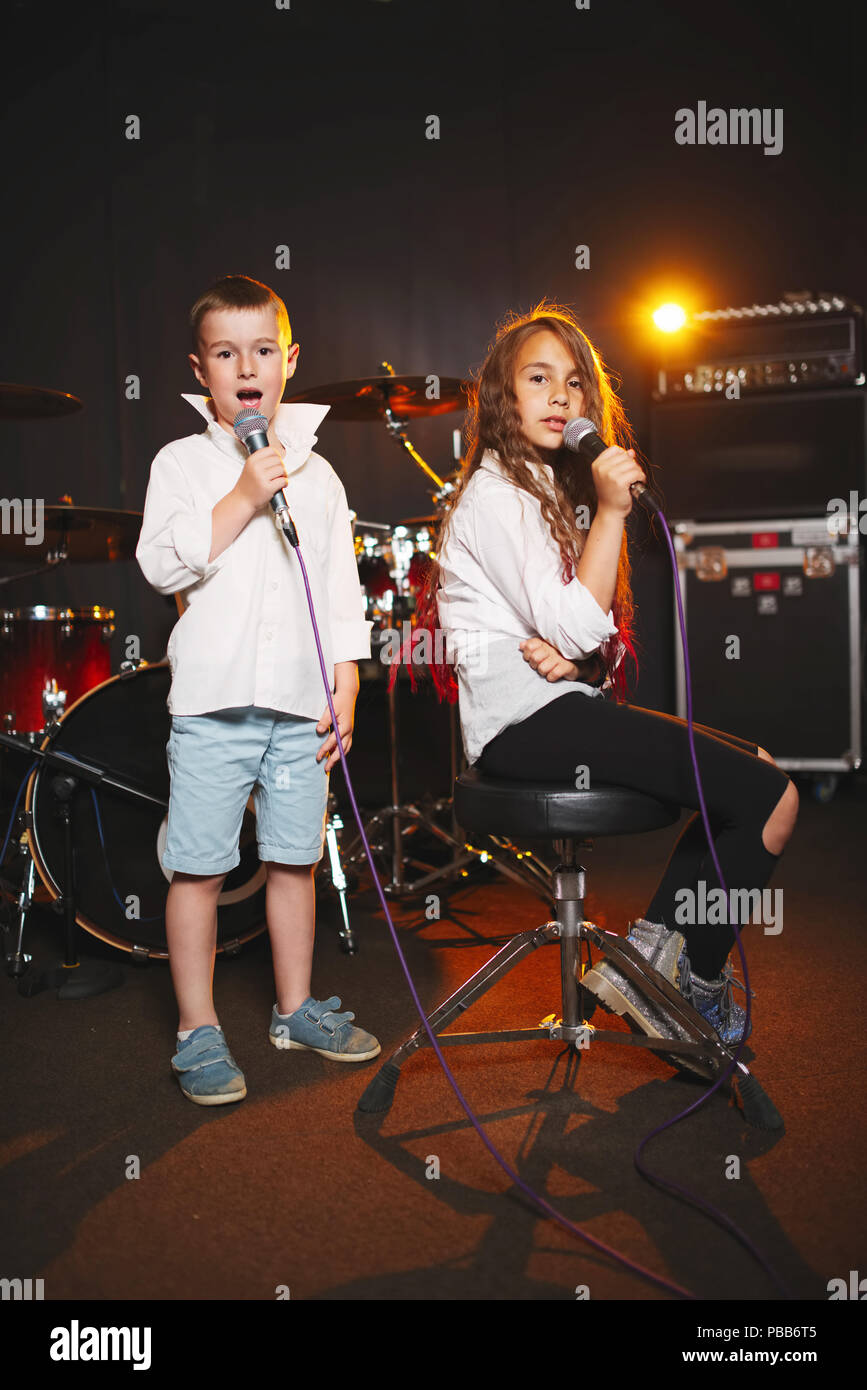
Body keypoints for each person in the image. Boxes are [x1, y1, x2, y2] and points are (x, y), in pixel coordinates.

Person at [428, 303, 799, 1064]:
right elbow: (571, 623)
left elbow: (584, 639)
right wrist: (606, 515)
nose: (561, 396)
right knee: (768, 796)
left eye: (573, 383)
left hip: (561, 711)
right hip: (522, 733)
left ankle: (657, 958)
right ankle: (683, 976)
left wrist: (580, 656)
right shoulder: (497, 497)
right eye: (538, 379)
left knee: (760, 779)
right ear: (503, 396)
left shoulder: (540, 491)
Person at [136, 275, 380, 1105]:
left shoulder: (320, 476)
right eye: (226, 351)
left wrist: (345, 685)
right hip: (211, 709)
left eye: (264, 349)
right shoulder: (182, 463)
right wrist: (242, 495)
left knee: (293, 861)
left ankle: (294, 1006)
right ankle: (196, 1027)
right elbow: (162, 564)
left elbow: (339, 593)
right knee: (199, 870)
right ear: (202, 368)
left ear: (290, 360)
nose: (247, 364)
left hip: (297, 707)